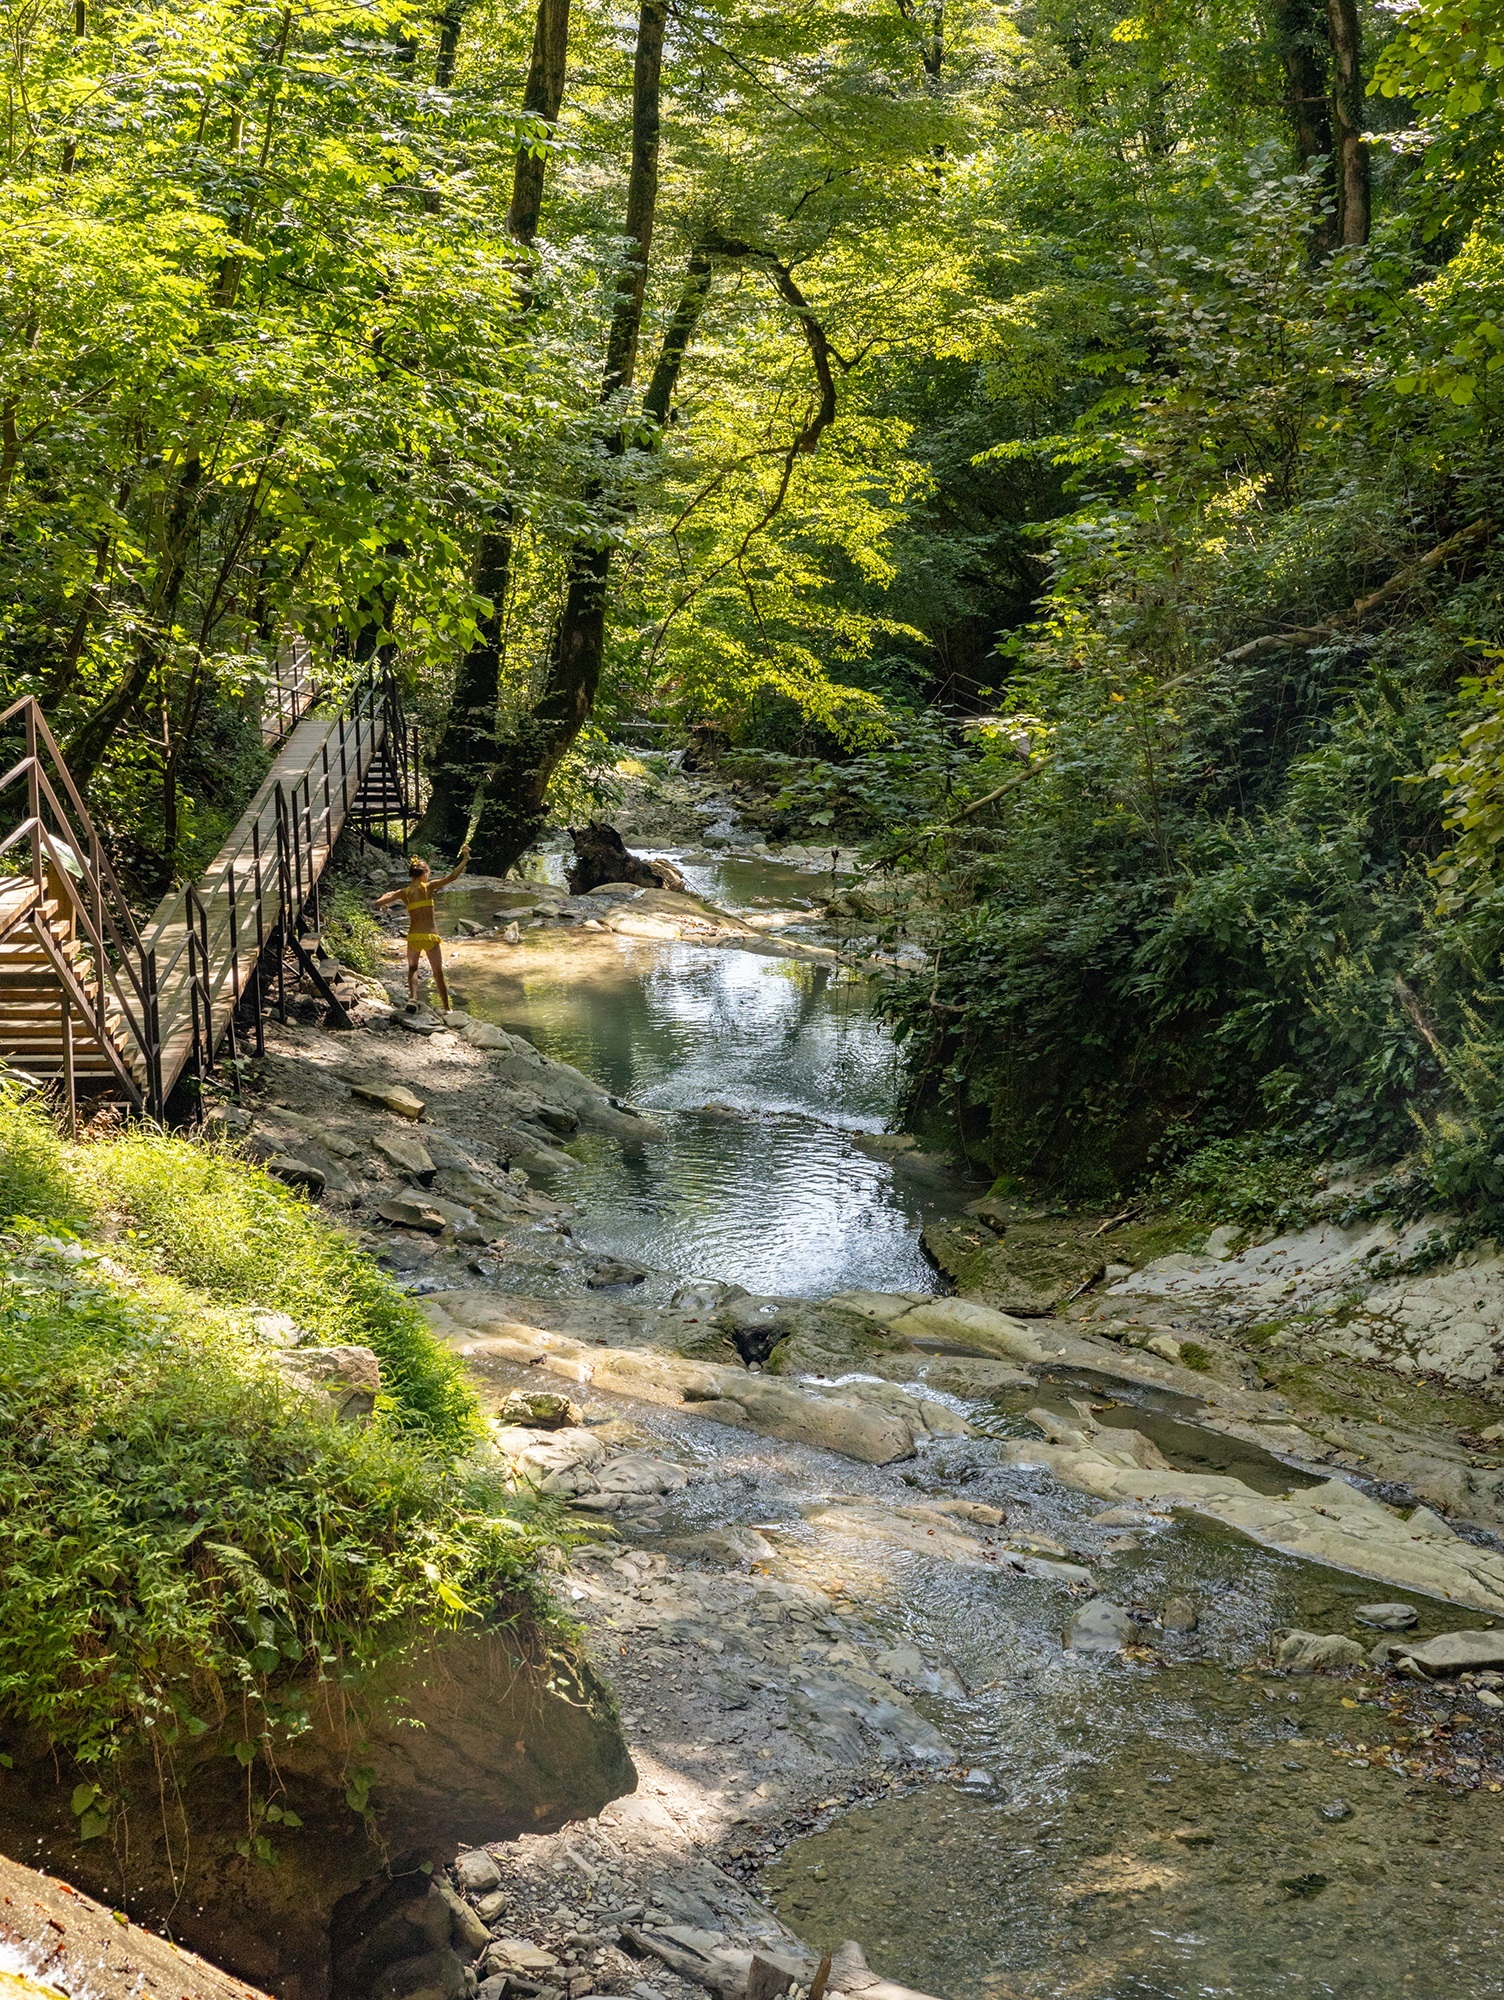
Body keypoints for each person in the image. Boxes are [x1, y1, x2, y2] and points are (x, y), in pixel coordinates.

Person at [376, 845, 470, 1013]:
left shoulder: (403, 892)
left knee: (413, 968)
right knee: (437, 972)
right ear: (424, 874)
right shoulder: (428, 888)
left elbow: (378, 903)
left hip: (413, 937)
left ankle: (413, 999)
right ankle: (447, 1008)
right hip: (430, 937)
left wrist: (387, 895)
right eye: (429, 874)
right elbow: (453, 877)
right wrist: (465, 859)